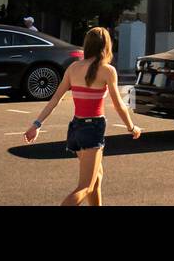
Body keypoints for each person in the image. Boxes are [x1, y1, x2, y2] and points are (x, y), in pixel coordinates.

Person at [24, 26, 141, 205]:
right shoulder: (108, 70)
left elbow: (55, 99)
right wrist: (132, 127)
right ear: (106, 46)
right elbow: (119, 105)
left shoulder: (73, 68)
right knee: (85, 186)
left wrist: (37, 125)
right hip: (92, 129)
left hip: (76, 128)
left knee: (96, 180)